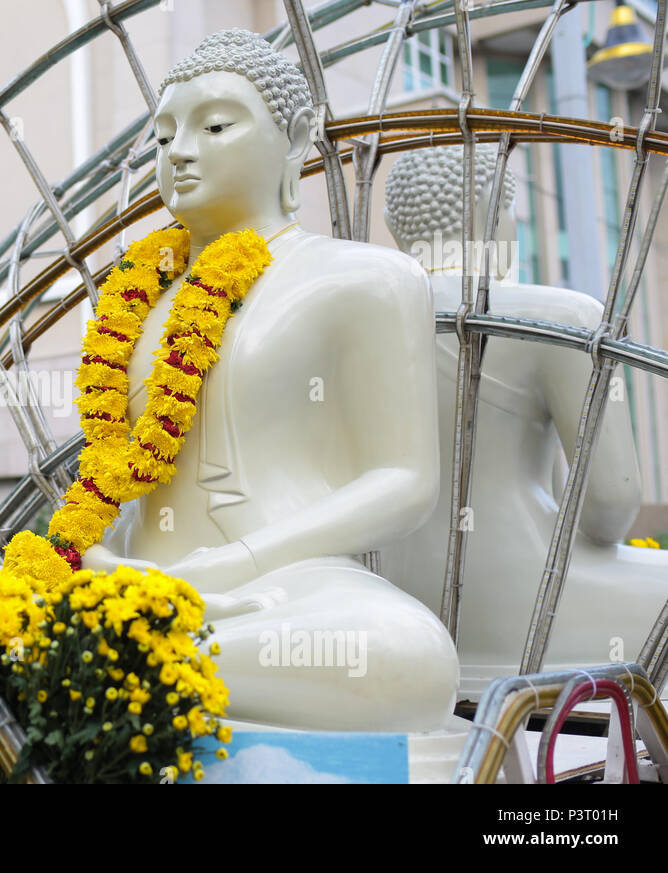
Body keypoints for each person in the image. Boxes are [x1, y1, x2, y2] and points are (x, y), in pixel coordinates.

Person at [73, 28, 459, 731]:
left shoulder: (365, 277)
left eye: (216, 125)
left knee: (407, 658)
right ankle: (114, 650)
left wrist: (234, 565)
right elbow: (114, 479)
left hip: (287, 589)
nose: (180, 152)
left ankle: (88, 663)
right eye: (163, 139)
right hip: (128, 585)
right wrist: (99, 562)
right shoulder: (132, 301)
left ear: (295, 139)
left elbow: (405, 479)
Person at [381, 145, 668, 694]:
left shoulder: (360, 318)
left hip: (397, 610)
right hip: (531, 603)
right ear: (493, 208)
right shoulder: (559, 316)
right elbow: (610, 506)